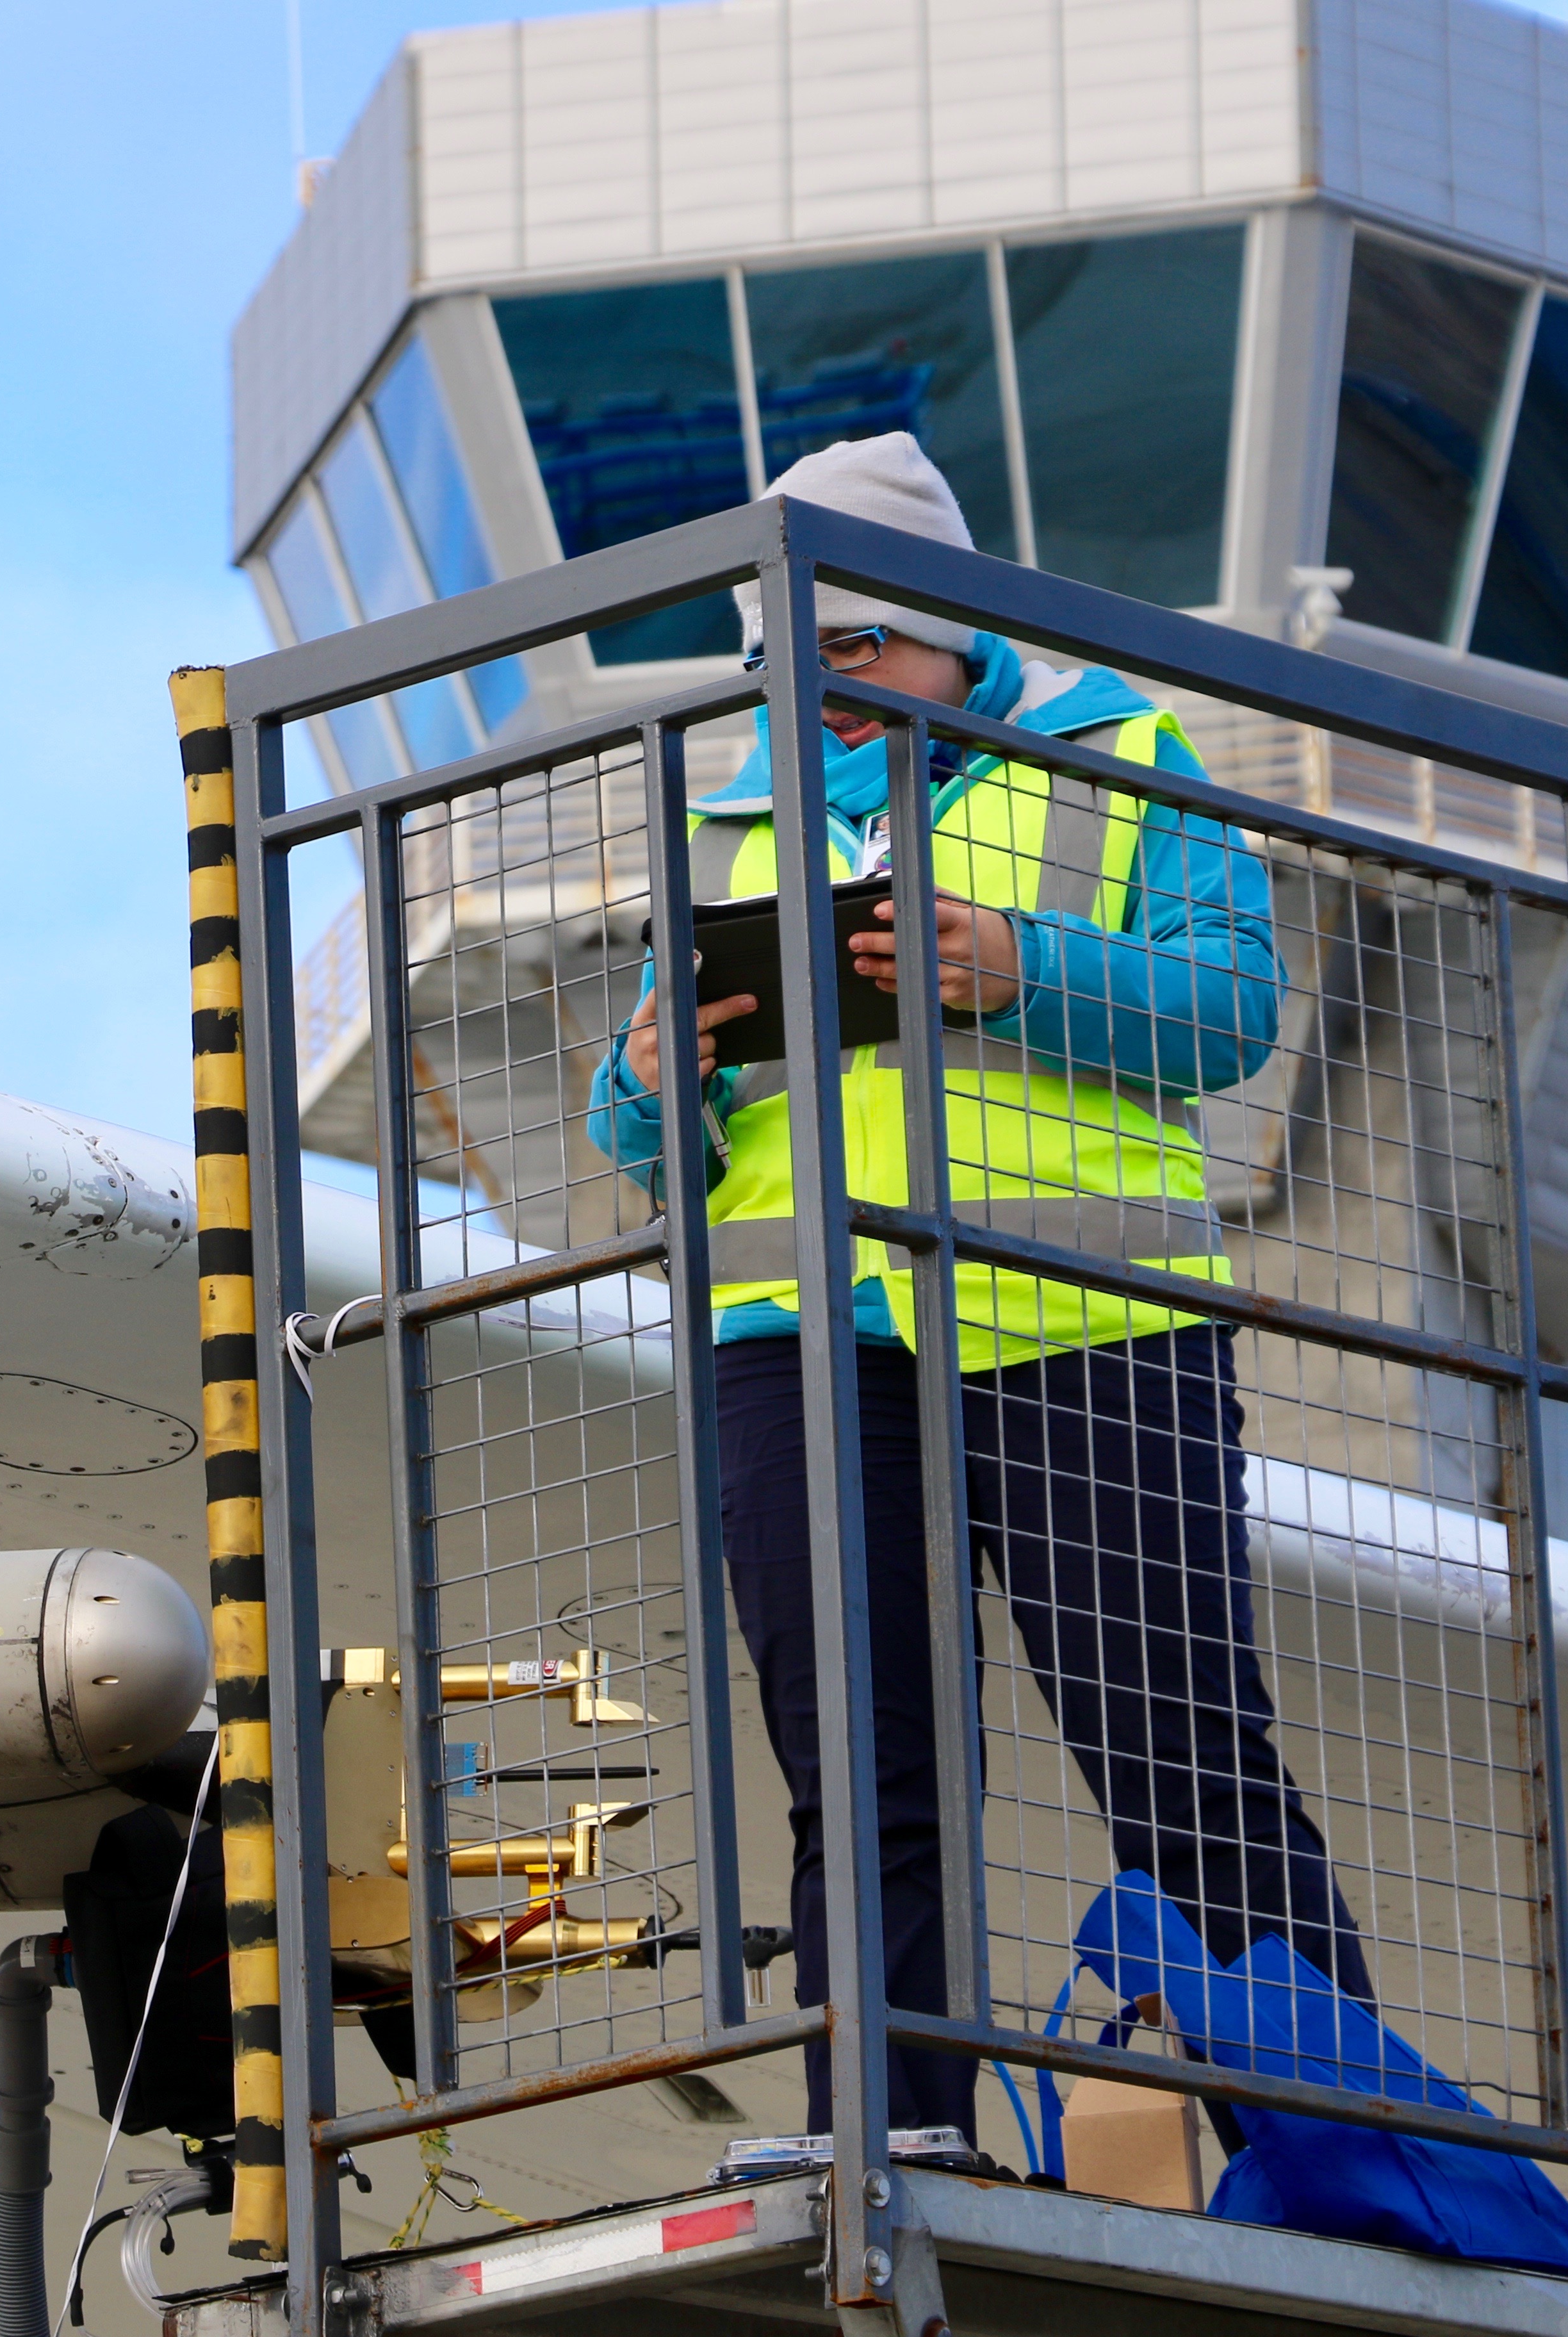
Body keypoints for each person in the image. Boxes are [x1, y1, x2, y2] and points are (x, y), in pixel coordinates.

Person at [584, 430, 1372, 2149]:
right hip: (802, 1348)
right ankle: (889, 2139)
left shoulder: (1121, 754)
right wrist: (650, 1083)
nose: (819, 690)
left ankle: (1354, 2147)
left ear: (946, 629)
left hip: (1086, 1327)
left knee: (1180, 1762)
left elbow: (1236, 1013)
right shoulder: (724, 827)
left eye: (852, 647)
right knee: (860, 1782)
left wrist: (1019, 969)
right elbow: (642, 1143)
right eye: (785, 659)